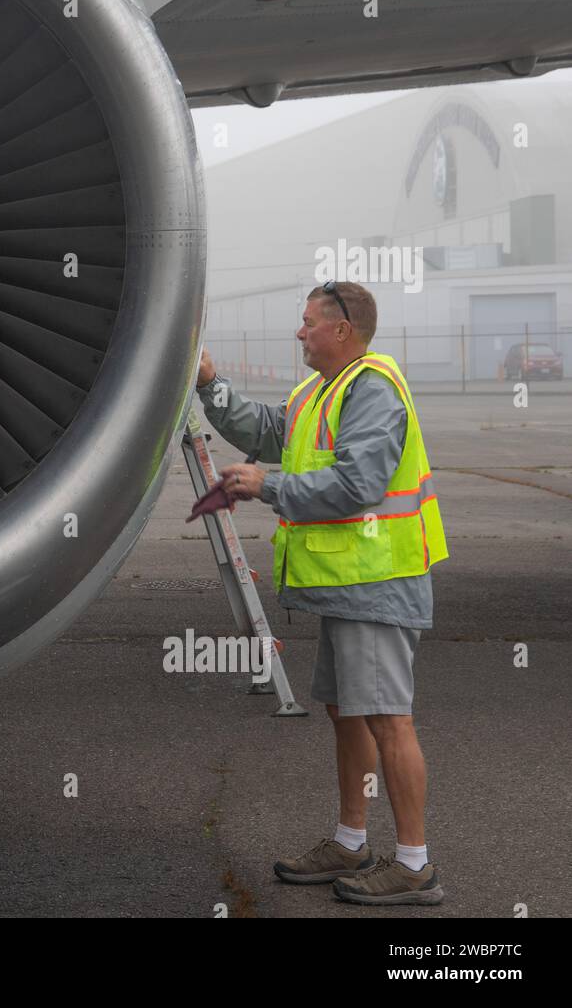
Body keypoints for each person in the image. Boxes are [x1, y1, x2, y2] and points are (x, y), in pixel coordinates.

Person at [196, 281, 448, 906]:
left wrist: (267, 486)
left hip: (378, 582)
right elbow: (268, 430)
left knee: (390, 719)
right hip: (346, 586)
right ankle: (350, 840)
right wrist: (210, 384)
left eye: (308, 322)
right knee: (347, 714)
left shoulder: (373, 388)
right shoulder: (320, 391)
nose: (299, 332)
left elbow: (359, 482)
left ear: (342, 329)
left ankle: (414, 865)